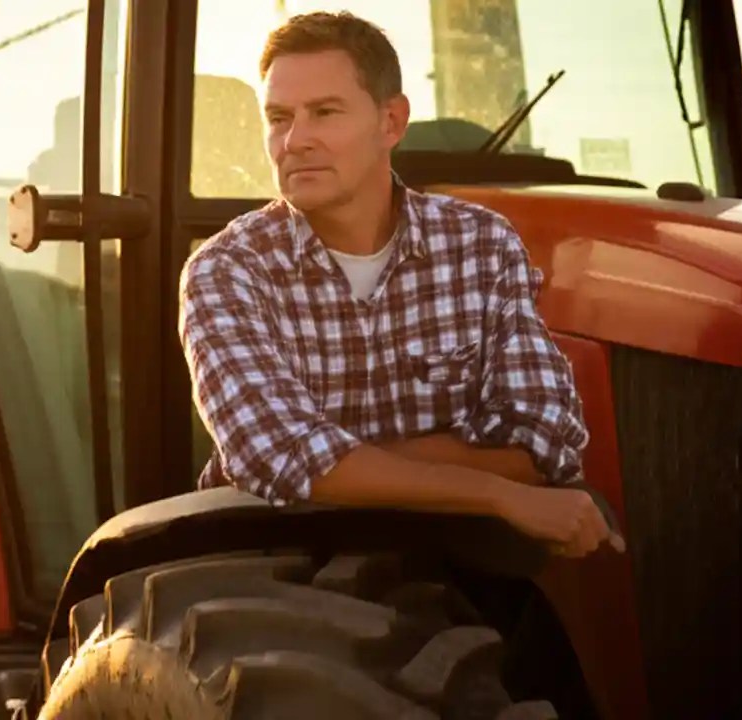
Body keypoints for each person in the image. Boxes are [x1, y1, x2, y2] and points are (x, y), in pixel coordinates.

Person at [178, 10, 623, 560]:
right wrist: (497, 494)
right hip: (272, 565)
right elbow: (276, 456)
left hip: (460, 560)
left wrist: (344, 466)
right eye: (278, 117)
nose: (294, 140)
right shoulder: (226, 271)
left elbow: (541, 438)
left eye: (324, 112)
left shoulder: (481, 246)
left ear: (391, 122)